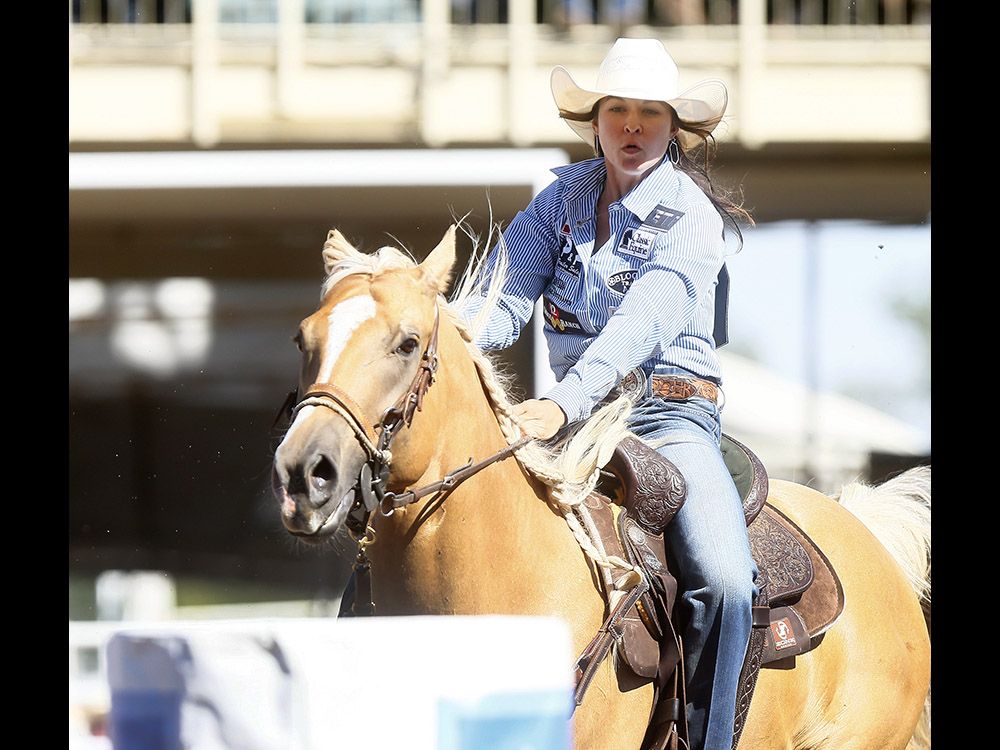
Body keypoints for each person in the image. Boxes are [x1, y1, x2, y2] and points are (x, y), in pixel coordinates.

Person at [458, 38, 758, 750]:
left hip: (669, 415)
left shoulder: (691, 218)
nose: (631, 126)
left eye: (649, 113)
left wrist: (562, 405)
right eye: (617, 110)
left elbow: (636, 328)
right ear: (594, 121)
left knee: (725, 580)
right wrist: (431, 330)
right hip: (569, 417)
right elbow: (499, 304)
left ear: (674, 127)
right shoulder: (559, 200)